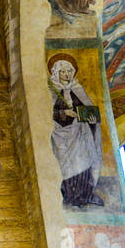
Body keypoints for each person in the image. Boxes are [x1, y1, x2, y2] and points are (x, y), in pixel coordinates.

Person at [48, 55, 104, 207]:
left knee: (83, 161)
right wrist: (64, 113)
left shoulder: (77, 88)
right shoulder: (51, 89)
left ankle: (84, 194)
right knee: (67, 164)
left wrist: (91, 117)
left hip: (81, 133)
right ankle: (69, 194)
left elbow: (88, 108)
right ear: (57, 73)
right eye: (63, 72)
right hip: (62, 135)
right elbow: (46, 113)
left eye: (68, 71)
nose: (66, 74)